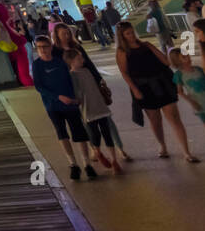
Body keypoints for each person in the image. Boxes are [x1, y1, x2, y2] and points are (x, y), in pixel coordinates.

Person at [115, 22, 197, 161]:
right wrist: (134, 89)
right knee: (155, 120)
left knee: (174, 118)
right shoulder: (122, 52)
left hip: (162, 83)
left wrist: (167, 51)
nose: (132, 35)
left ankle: (186, 152)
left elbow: (165, 62)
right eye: (127, 33)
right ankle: (162, 146)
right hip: (144, 87)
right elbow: (125, 73)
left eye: (132, 32)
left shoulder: (146, 45)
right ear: (122, 36)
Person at [52, 22, 132, 163]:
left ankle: (119, 148)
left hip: (91, 86)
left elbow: (89, 64)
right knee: (87, 122)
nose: (67, 35)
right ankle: (95, 149)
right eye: (63, 33)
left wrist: (100, 80)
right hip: (74, 90)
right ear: (57, 36)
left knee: (107, 120)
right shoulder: (55, 52)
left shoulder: (76, 47)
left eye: (68, 32)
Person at [31, 35, 98, 180]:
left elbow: (71, 79)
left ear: (50, 47)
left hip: (71, 104)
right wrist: (58, 97)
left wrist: (76, 97)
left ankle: (87, 164)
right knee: (62, 134)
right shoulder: (37, 65)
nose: (43, 50)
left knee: (79, 134)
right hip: (53, 105)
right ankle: (73, 164)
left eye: (46, 47)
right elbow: (39, 86)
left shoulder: (60, 62)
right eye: (40, 47)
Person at [64, 49, 121, 173]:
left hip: (99, 105)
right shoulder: (72, 76)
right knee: (95, 134)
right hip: (87, 109)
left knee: (107, 132)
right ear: (71, 61)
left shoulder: (87, 71)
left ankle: (114, 160)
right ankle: (97, 151)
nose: (82, 60)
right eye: (79, 59)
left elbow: (94, 86)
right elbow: (77, 93)